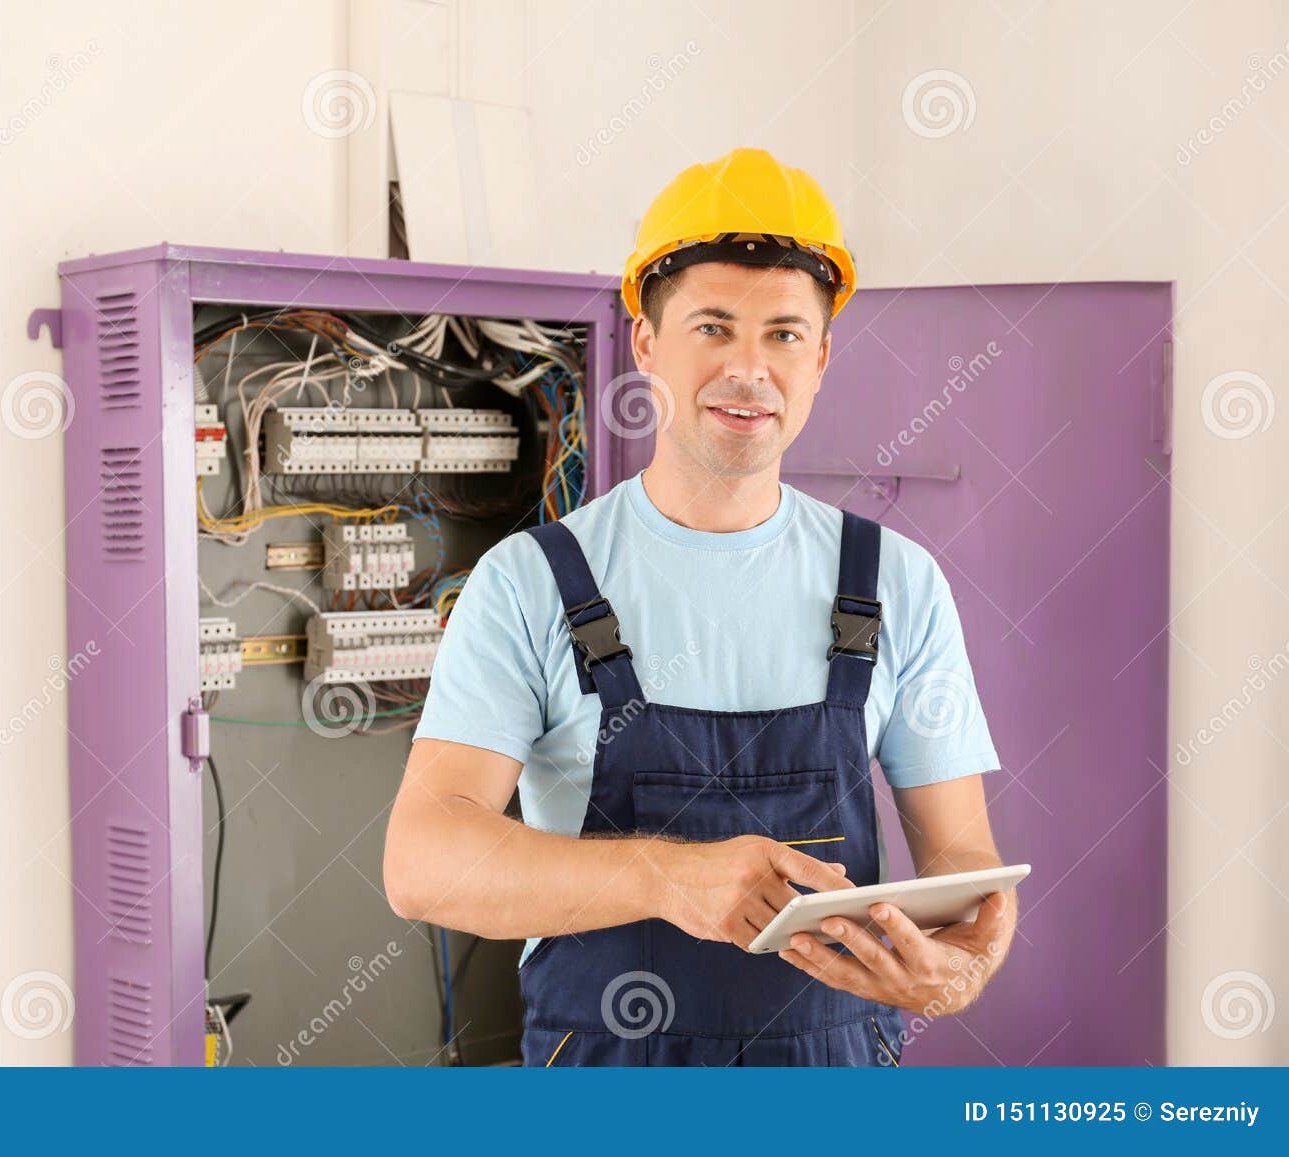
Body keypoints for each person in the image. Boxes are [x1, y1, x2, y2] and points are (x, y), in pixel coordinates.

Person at [383, 147, 1016, 1066]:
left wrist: (960, 968)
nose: (749, 368)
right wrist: (665, 875)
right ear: (646, 343)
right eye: (713, 327)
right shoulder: (530, 583)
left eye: (785, 334)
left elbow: (968, 865)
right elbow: (422, 862)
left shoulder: (896, 583)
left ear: (821, 357)